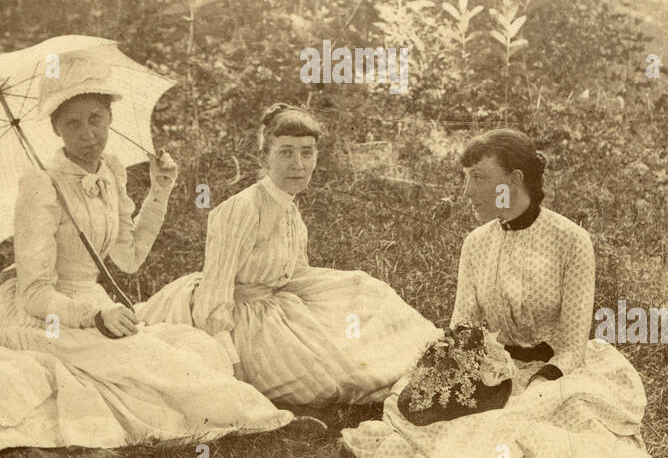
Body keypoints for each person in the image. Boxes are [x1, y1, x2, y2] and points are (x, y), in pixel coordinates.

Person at [0, 50, 293, 456]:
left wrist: (159, 191)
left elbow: (130, 257)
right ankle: (239, 415)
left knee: (185, 351)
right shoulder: (40, 187)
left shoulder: (112, 171)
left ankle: (227, 409)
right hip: (41, 312)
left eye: (96, 118)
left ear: (111, 118)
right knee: (143, 368)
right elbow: (34, 295)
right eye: (73, 123)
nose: (87, 134)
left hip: (90, 302)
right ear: (55, 128)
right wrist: (94, 319)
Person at [341, 129, 668, 458]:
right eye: (466, 177)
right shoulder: (475, 243)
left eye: (479, 177)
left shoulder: (571, 241)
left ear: (516, 180)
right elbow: (464, 324)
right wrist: (455, 367)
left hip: (560, 370)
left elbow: (574, 343)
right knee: (419, 419)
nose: (467, 190)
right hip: (497, 370)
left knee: (563, 440)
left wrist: (540, 385)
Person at [136, 103, 440, 406]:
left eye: (307, 152)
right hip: (233, 318)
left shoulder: (289, 209)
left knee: (366, 296)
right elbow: (214, 296)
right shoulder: (240, 209)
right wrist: (229, 364)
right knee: (327, 383)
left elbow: (294, 275)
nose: (298, 163)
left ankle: (434, 356)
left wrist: (350, 290)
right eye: (286, 152)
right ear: (263, 158)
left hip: (272, 306)